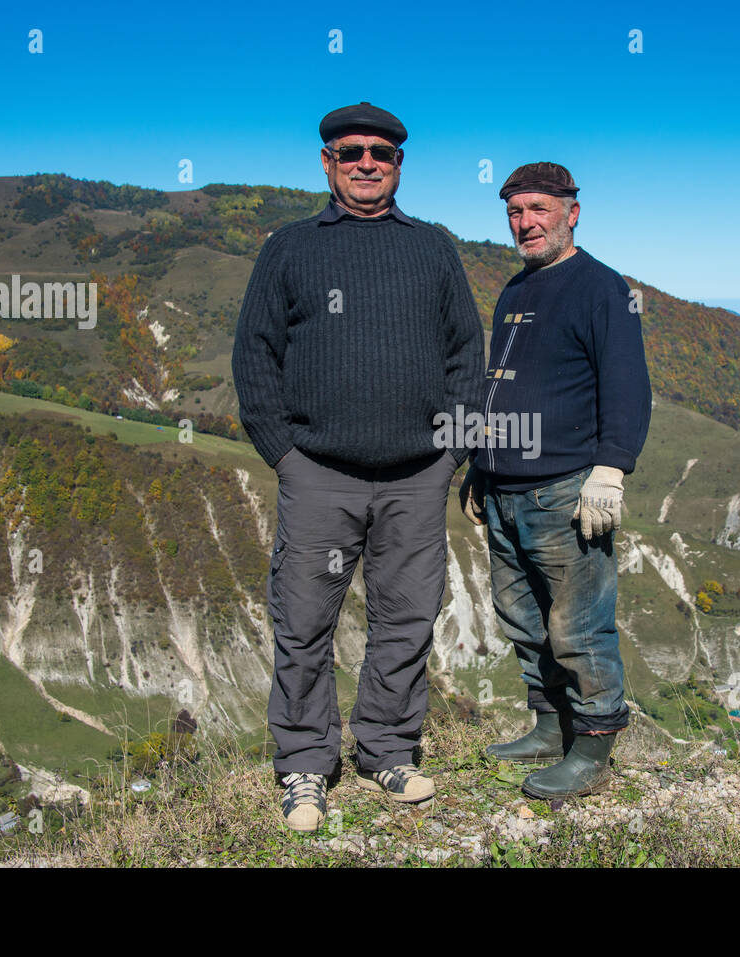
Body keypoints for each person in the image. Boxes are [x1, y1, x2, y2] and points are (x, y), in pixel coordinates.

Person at [232, 102, 484, 831]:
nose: (367, 162)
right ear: (326, 162)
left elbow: (467, 353)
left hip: (415, 475)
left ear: (400, 164)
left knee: (407, 616)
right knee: (305, 621)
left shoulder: (433, 248)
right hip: (320, 473)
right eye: (351, 152)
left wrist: (450, 454)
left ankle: (386, 749)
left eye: (381, 152)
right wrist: (287, 455)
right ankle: (306, 764)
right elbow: (255, 357)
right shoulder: (289, 247)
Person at [459, 162, 651, 799]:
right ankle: (549, 725)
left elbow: (627, 385)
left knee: (579, 625)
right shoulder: (514, 291)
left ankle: (592, 748)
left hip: (566, 489)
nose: (526, 222)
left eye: (539, 208)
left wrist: (611, 469)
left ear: (573, 212)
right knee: (521, 617)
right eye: (515, 211)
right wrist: (480, 468)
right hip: (506, 487)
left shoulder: (601, 288)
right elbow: (500, 385)